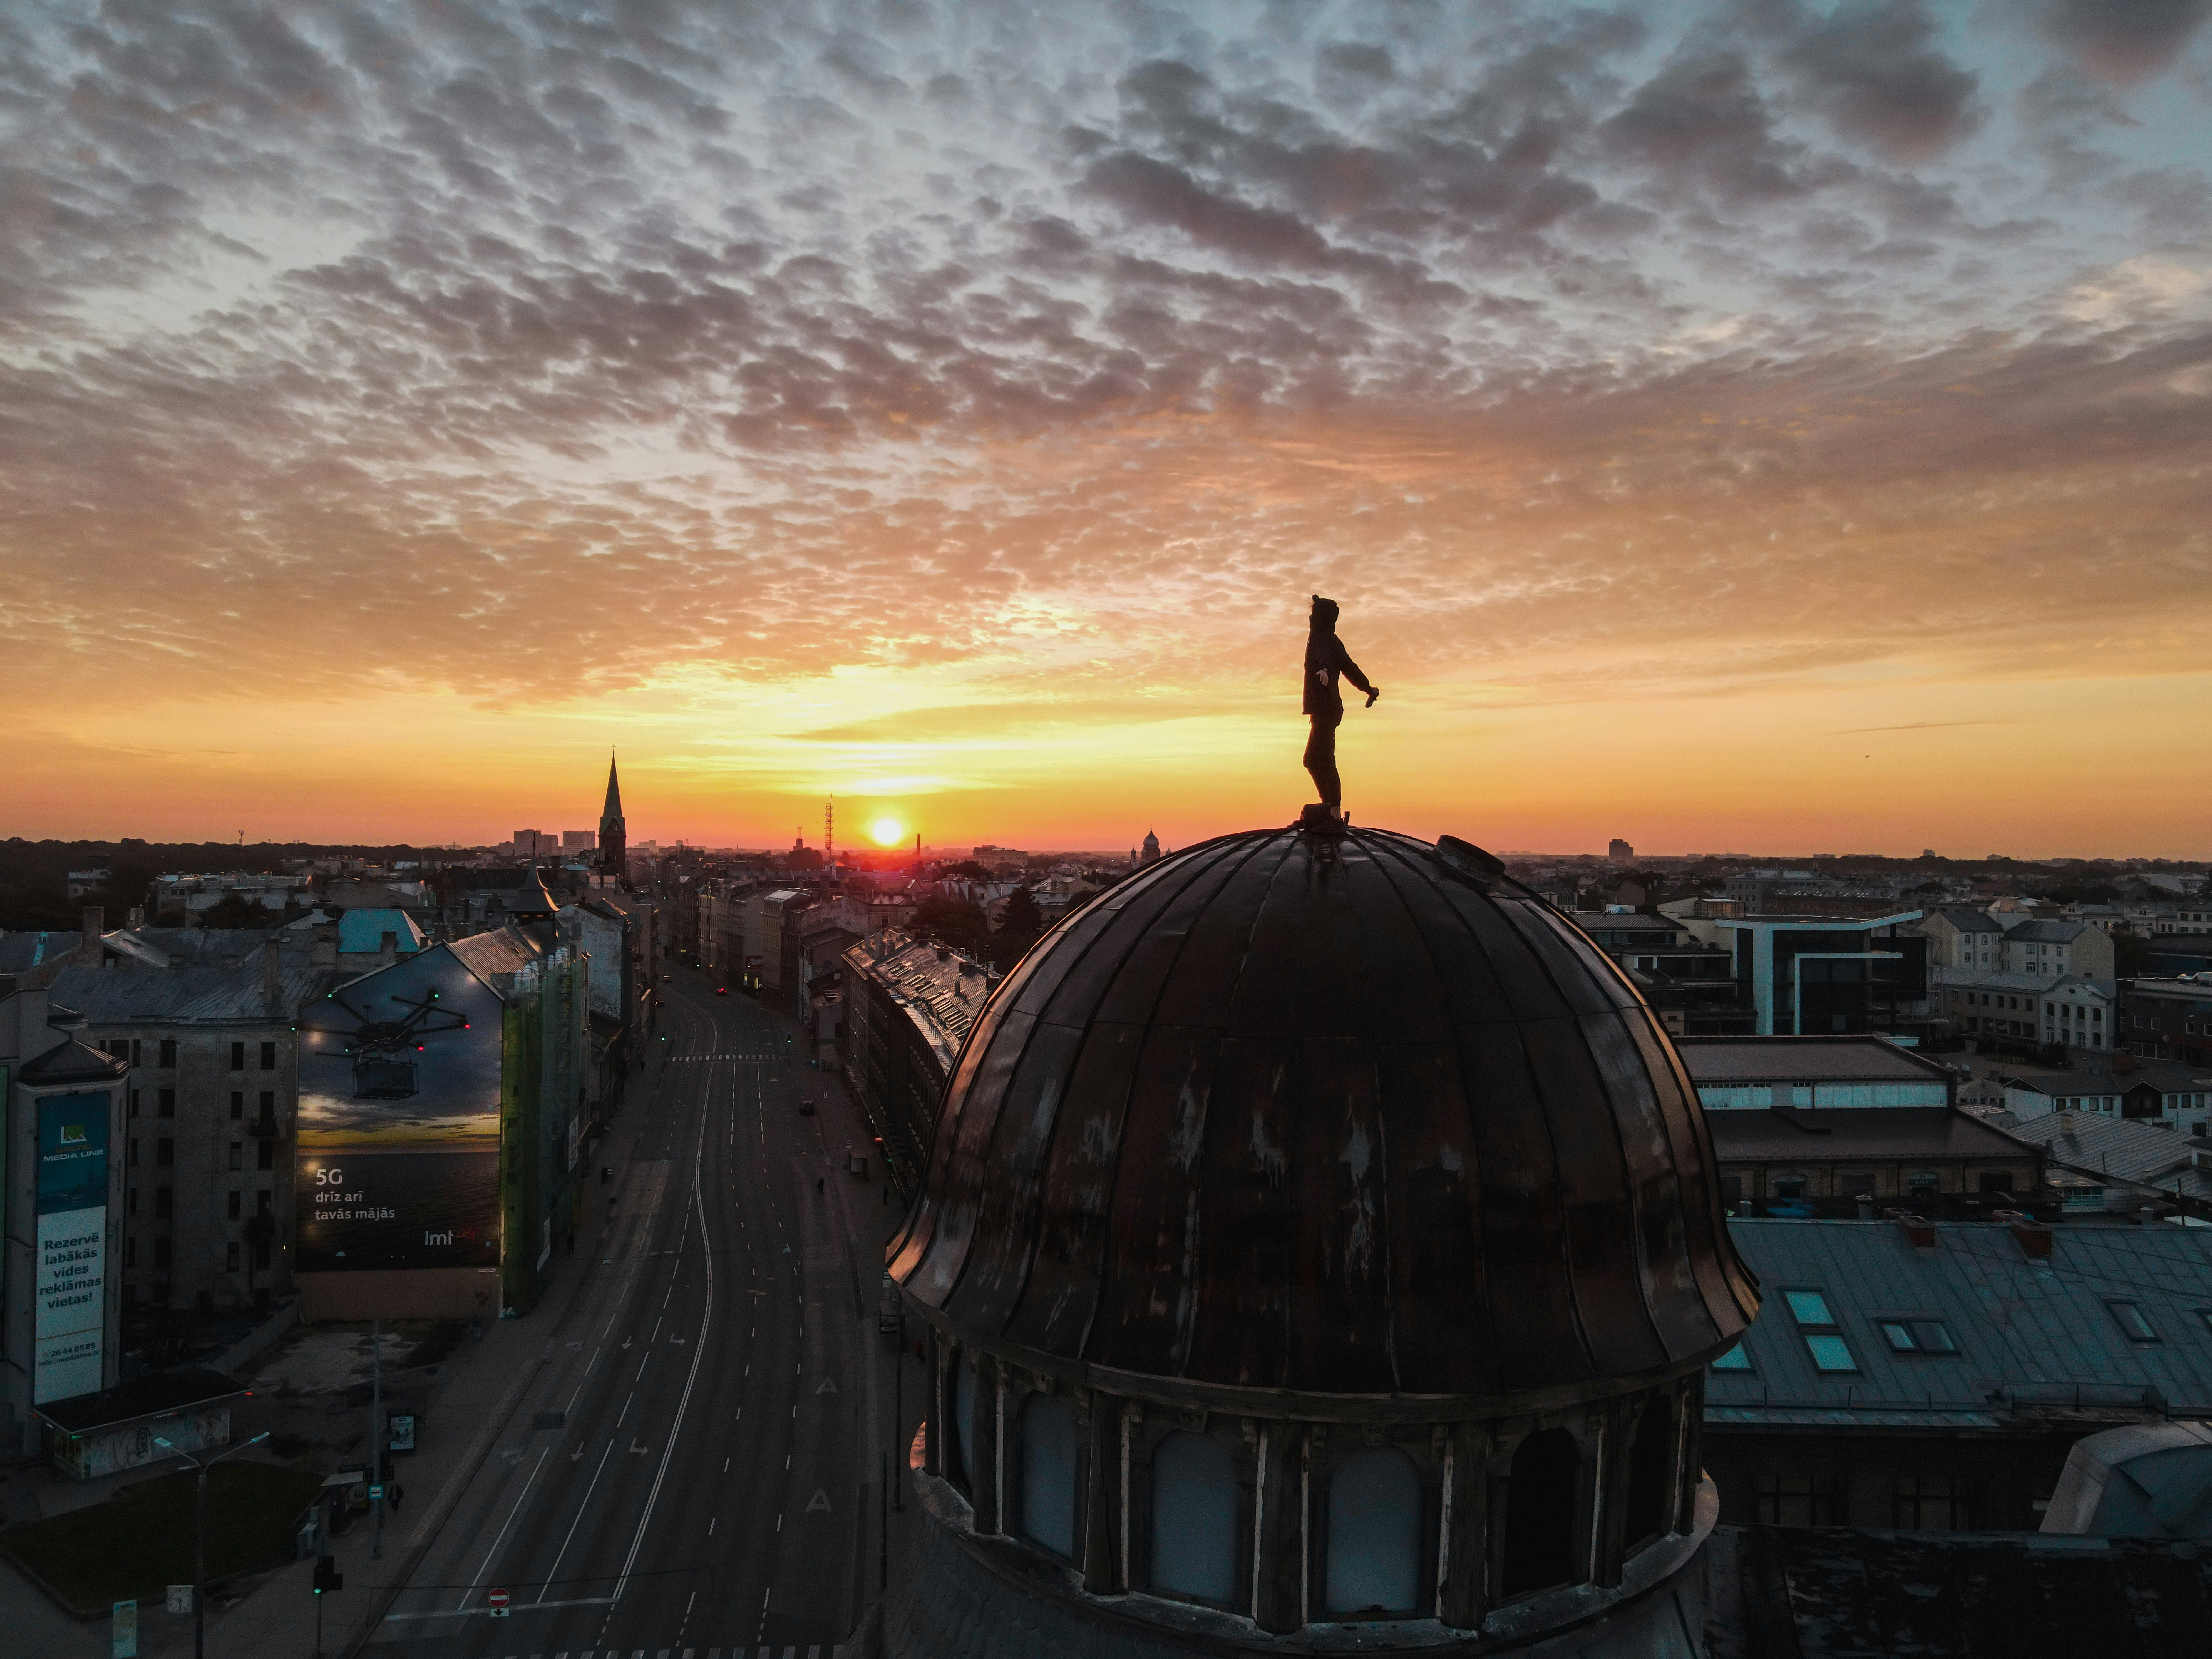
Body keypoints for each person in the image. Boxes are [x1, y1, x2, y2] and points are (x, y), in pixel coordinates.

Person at [1302, 594, 1378, 816]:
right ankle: (1329, 806)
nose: (1310, 617)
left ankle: (1333, 811)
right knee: (1311, 760)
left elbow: (1323, 656)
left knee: (1323, 759)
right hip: (1326, 710)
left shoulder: (1323, 640)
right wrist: (1369, 689)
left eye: (1314, 614)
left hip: (1326, 710)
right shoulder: (1333, 641)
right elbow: (1350, 669)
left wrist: (1324, 669)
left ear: (1321, 618)